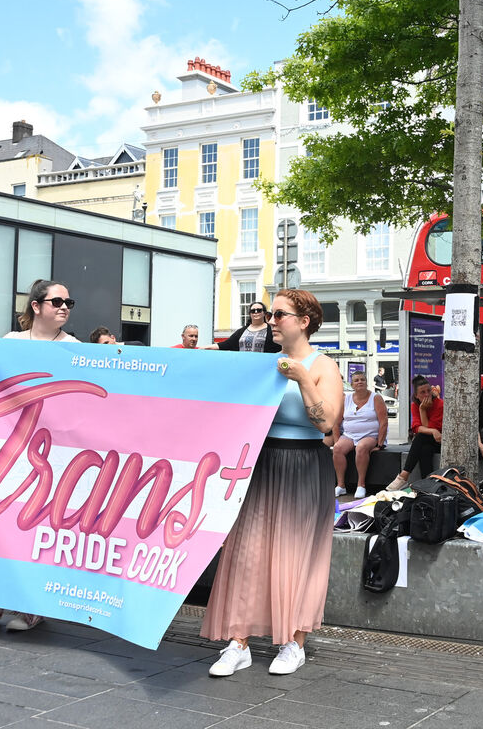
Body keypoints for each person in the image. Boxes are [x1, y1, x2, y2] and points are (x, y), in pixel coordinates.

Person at [203, 288, 342, 677]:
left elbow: (327, 423)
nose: (271, 319)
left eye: (280, 314)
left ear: (304, 321)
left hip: (304, 464)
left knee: (297, 553)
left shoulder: (322, 366)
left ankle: (293, 642)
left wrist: (301, 378)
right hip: (262, 462)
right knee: (248, 550)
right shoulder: (264, 363)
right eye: (271, 313)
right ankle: (239, 642)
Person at [0, 279, 81, 633]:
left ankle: (30, 607)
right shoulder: (10, 344)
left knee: (34, 529)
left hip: (49, 452)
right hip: (5, 448)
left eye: (69, 301)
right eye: (57, 301)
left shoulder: (76, 348)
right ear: (36, 306)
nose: (64, 307)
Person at [331, 370, 387, 499]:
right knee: (338, 449)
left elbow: (383, 422)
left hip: (370, 435)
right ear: (352, 385)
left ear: (367, 382)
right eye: (356, 380)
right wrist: (336, 441)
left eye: (362, 379)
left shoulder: (376, 398)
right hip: (349, 435)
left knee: (361, 447)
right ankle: (341, 485)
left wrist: (380, 443)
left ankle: (361, 485)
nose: (360, 382)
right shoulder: (346, 399)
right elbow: (336, 422)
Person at [385, 375, 443, 491]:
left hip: (440, 440)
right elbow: (417, 428)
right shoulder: (415, 406)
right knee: (425, 449)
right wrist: (422, 410)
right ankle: (428, 484)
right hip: (429, 440)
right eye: (422, 392)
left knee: (421, 437)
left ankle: (403, 476)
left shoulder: (439, 404)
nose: (427, 395)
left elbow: (425, 428)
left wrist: (431, 429)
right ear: (416, 395)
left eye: (428, 391)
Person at [202, 302, 281, 354]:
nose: (256, 312)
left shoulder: (272, 330)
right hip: (243, 367)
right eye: (253, 311)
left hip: (264, 368)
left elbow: (280, 348)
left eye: (259, 310)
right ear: (250, 314)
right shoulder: (241, 331)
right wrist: (203, 348)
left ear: (264, 313)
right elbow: (225, 345)